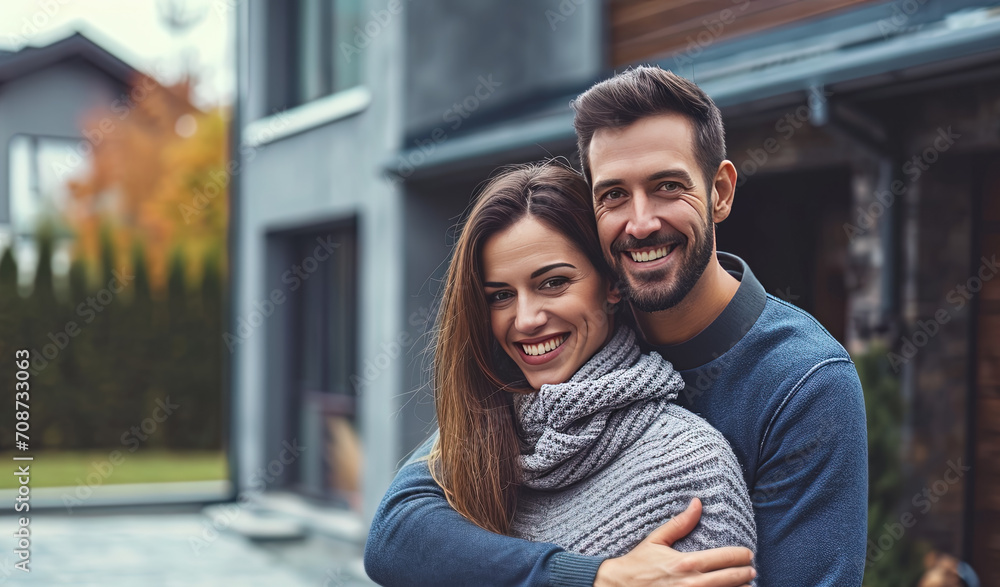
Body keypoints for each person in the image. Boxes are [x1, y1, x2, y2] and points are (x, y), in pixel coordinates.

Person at [364, 66, 868, 587]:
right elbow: (398, 530)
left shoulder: (805, 381)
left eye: (667, 186)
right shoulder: (575, 340)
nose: (641, 222)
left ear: (719, 191)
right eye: (614, 195)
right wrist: (593, 578)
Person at [409, 160, 756, 570]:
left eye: (553, 283)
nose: (525, 319)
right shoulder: (480, 435)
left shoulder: (691, 464)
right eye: (500, 296)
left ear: (612, 284)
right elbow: (388, 538)